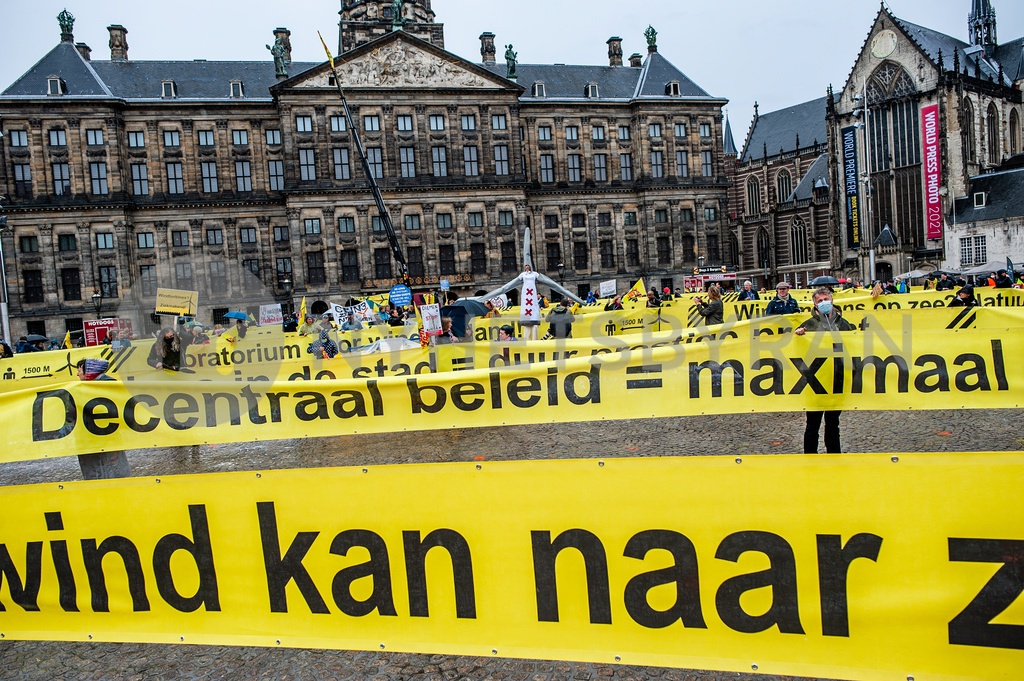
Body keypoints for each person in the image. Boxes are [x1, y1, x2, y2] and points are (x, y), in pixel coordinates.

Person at [794, 287, 856, 454]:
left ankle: (834, 454)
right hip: (815, 381)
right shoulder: (809, 324)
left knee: (832, 422)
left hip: (837, 378)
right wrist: (798, 335)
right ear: (814, 304)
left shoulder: (843, 324)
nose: (823, 303)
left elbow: (854, 347)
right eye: (820, 301)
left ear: (832, 300)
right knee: (812, 424)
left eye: (825, 299)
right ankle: (810, 456)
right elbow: (796, 347)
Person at [76, 358, 132, 479]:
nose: (77, 373)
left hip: (104, 439)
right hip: (97, 440)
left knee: (110, 473)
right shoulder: (90, 388)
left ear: (89, 371)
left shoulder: (106, 387)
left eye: (79, 370)